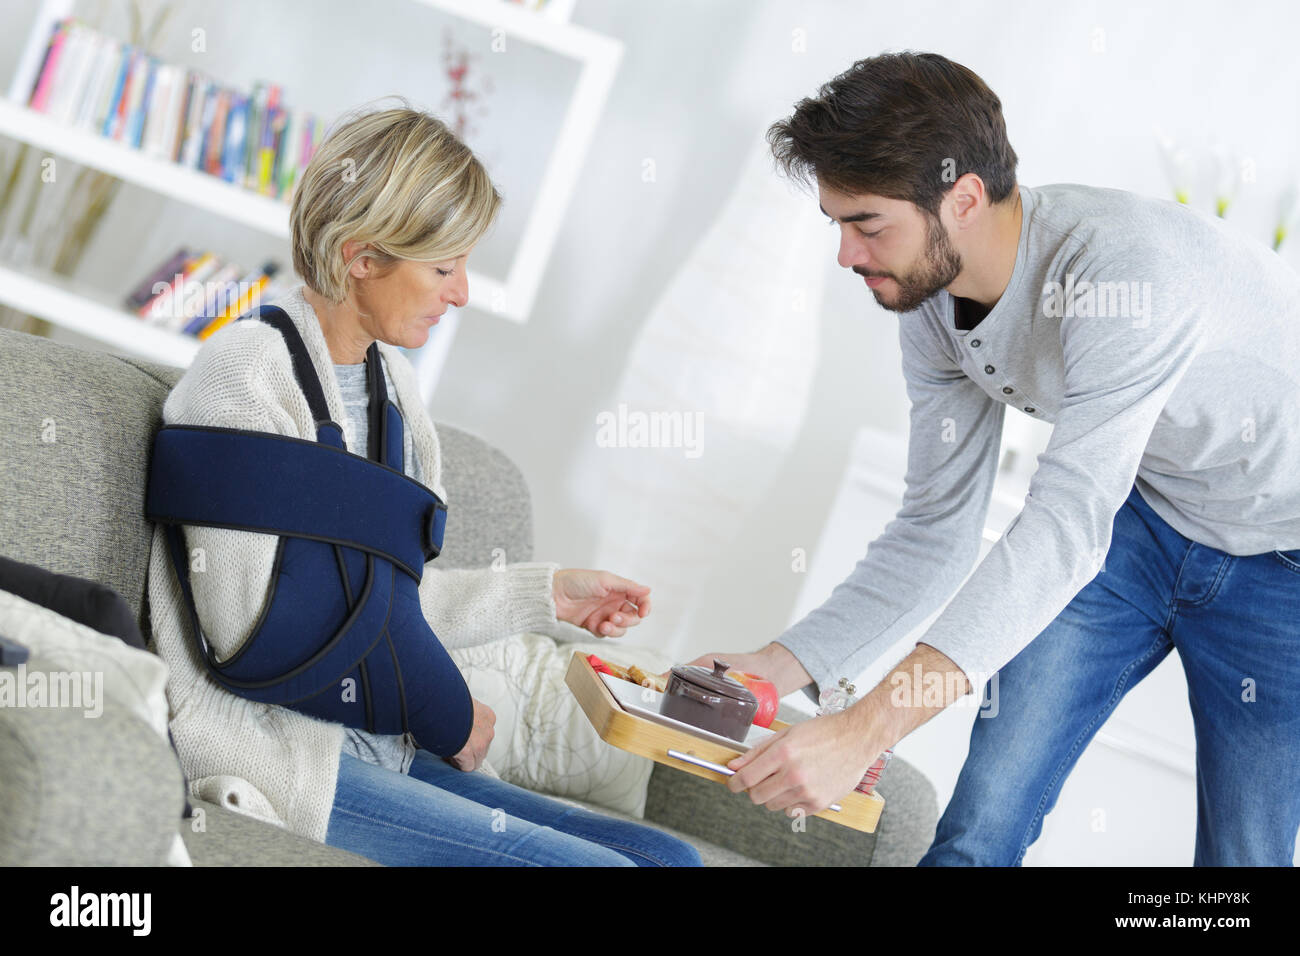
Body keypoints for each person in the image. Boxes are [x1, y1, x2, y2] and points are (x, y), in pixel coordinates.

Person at [693, 51, 1300, 866]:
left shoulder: (1127, 277)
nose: (846, 255)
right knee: (981, 825)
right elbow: (935, 528)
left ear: (963, 198)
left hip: (1282, 560)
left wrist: (867, 725)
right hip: (1144, 523)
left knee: (1242, 861)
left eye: (867, 224)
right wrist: (782, 663)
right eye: (837, 224)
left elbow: (1061, 529)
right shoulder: (928, 300)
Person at [145, 103, 701, 867]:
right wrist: (439, 709)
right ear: (361, 257)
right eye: (444, 268)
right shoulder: (245, 376)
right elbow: (260, 634)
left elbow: (382, 601)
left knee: (670, 859)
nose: (462, 293)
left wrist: (546, 595)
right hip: (276, 754)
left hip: (378, 750)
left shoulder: (395, 394)